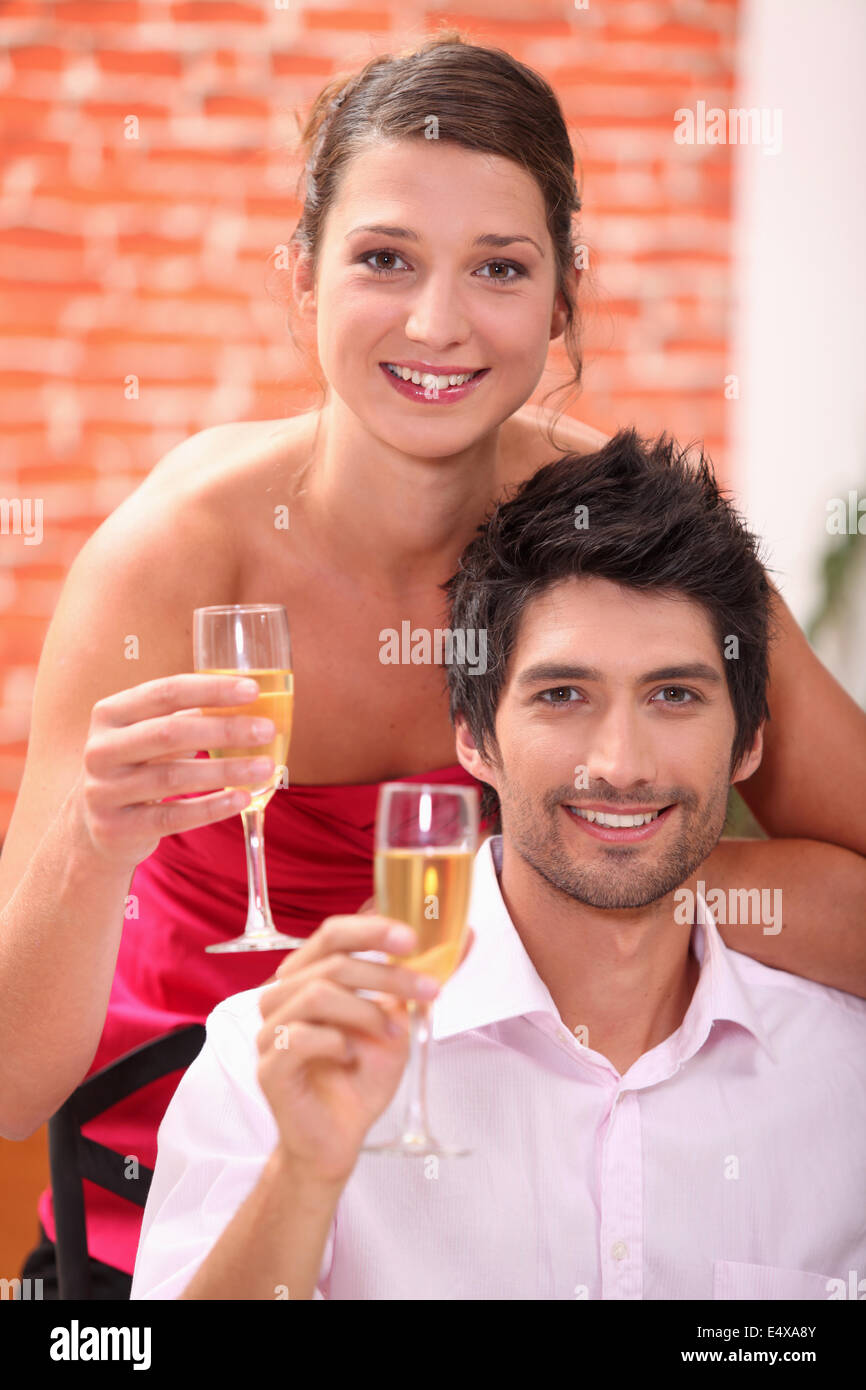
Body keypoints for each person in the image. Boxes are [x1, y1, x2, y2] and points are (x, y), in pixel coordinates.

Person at [2, 33, 864, 1299]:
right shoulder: (179, 556)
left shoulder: (610, 547)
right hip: (181, 1219)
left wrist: (604, 871)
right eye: (383, 260)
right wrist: (90, 841)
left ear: (564, 294)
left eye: (499, 268)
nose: (437, 324)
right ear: (300, 277)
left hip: (487, 1208)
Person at [130, 430, 866, 1301]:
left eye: (674, 695)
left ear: (746, 743)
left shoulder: (840, 1070)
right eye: (563, 695)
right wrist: (304, 1175)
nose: (621, 762)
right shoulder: (273, 1059)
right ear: (474, 738)